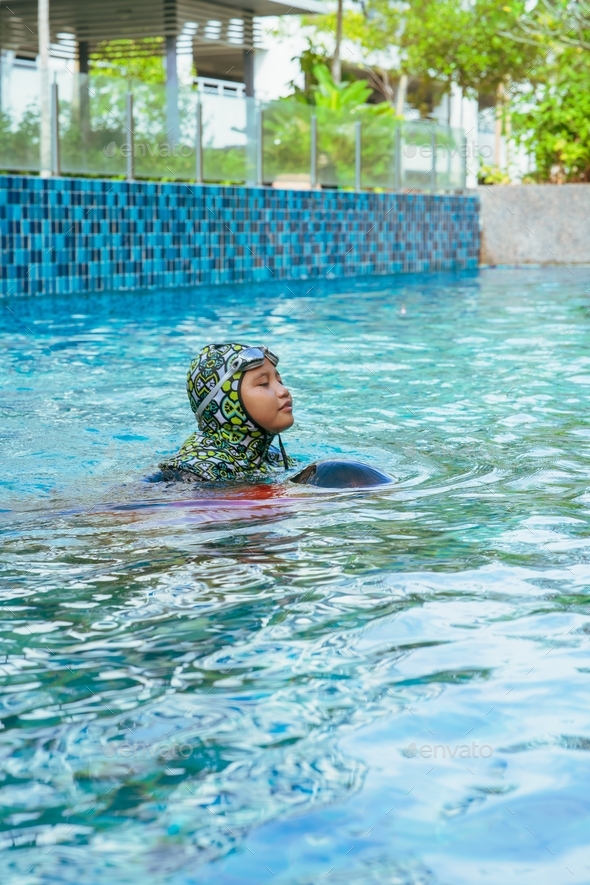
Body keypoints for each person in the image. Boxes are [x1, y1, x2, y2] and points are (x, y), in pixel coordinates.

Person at [159, 343, 295, 482]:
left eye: (279, 381)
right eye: (263, 383)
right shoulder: (193, 470)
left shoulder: (272, 457)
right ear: (224, 399)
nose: (283, 391)